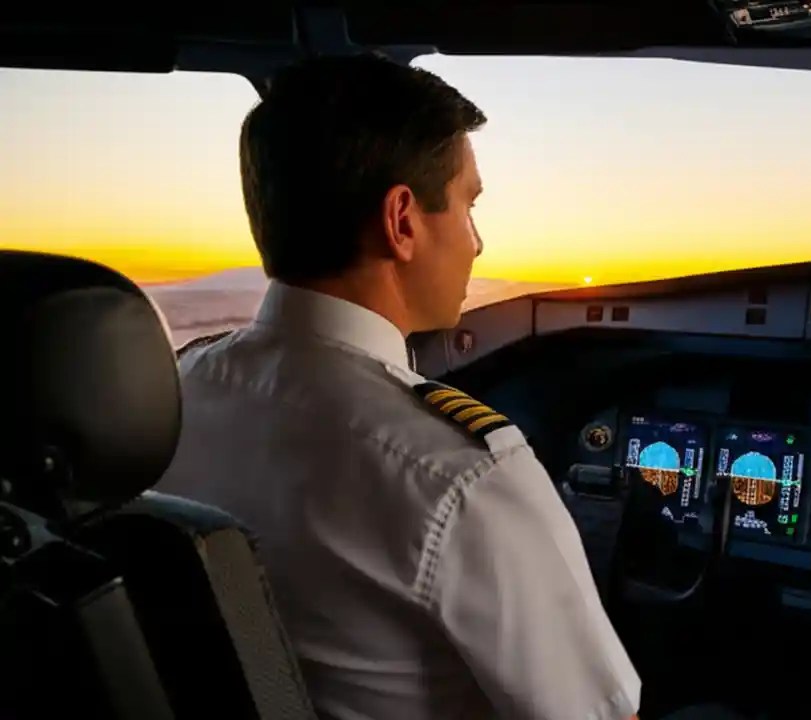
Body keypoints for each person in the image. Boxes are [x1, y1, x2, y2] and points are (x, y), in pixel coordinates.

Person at [157, 54, 640, 720]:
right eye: (469, 204)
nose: (477, 242)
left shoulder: (171, 397)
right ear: (403, 222)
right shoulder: (462, 476)